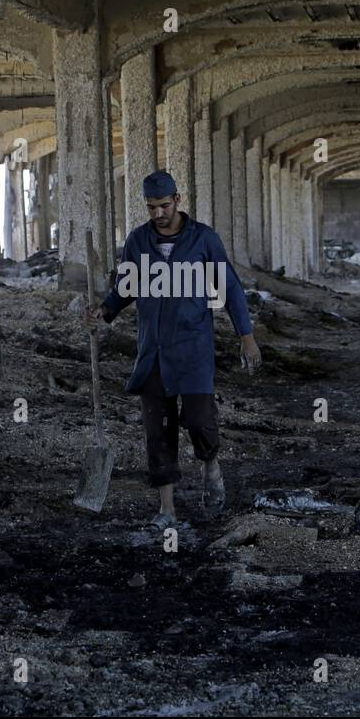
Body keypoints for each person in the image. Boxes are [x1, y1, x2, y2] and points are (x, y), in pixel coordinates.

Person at [86, 169, 262, 527]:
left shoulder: (204, 240)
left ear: (178, 200)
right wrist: (103, 311)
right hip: (152, 351)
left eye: (163, 206)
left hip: (193, 348)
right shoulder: (137, 242)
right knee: (158, 429)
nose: (157, 214)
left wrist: (246, 336)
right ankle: (166, 509)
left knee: (199, 420)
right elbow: (126, 287)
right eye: (151, 207)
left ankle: (210, 465)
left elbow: (229, 287)